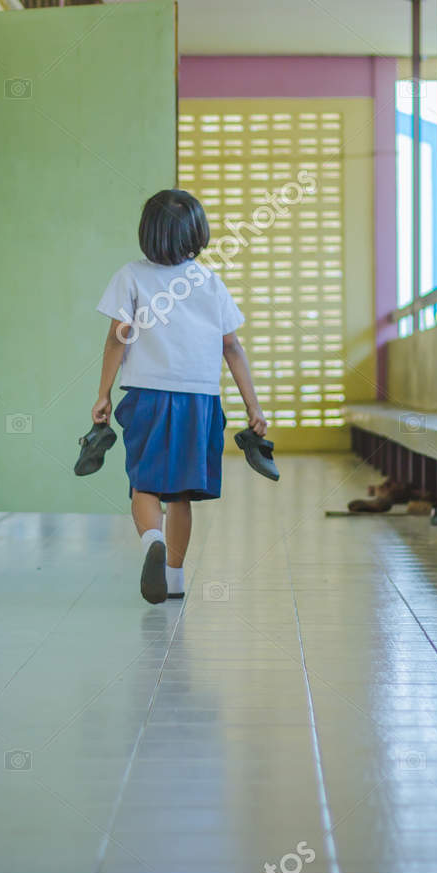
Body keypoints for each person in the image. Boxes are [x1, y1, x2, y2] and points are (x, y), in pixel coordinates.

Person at [91, 189, 266, 604]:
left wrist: (103, 394)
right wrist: (253, 407)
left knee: (145, 485)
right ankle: (174, 576)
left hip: (148, 396)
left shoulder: (130, 276)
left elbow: (117, 339)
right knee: (182, 493)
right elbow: (232, 348)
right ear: (197, 234)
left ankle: (152, 538)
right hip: (199, 400)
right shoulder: (210, 282)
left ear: (147, 233)